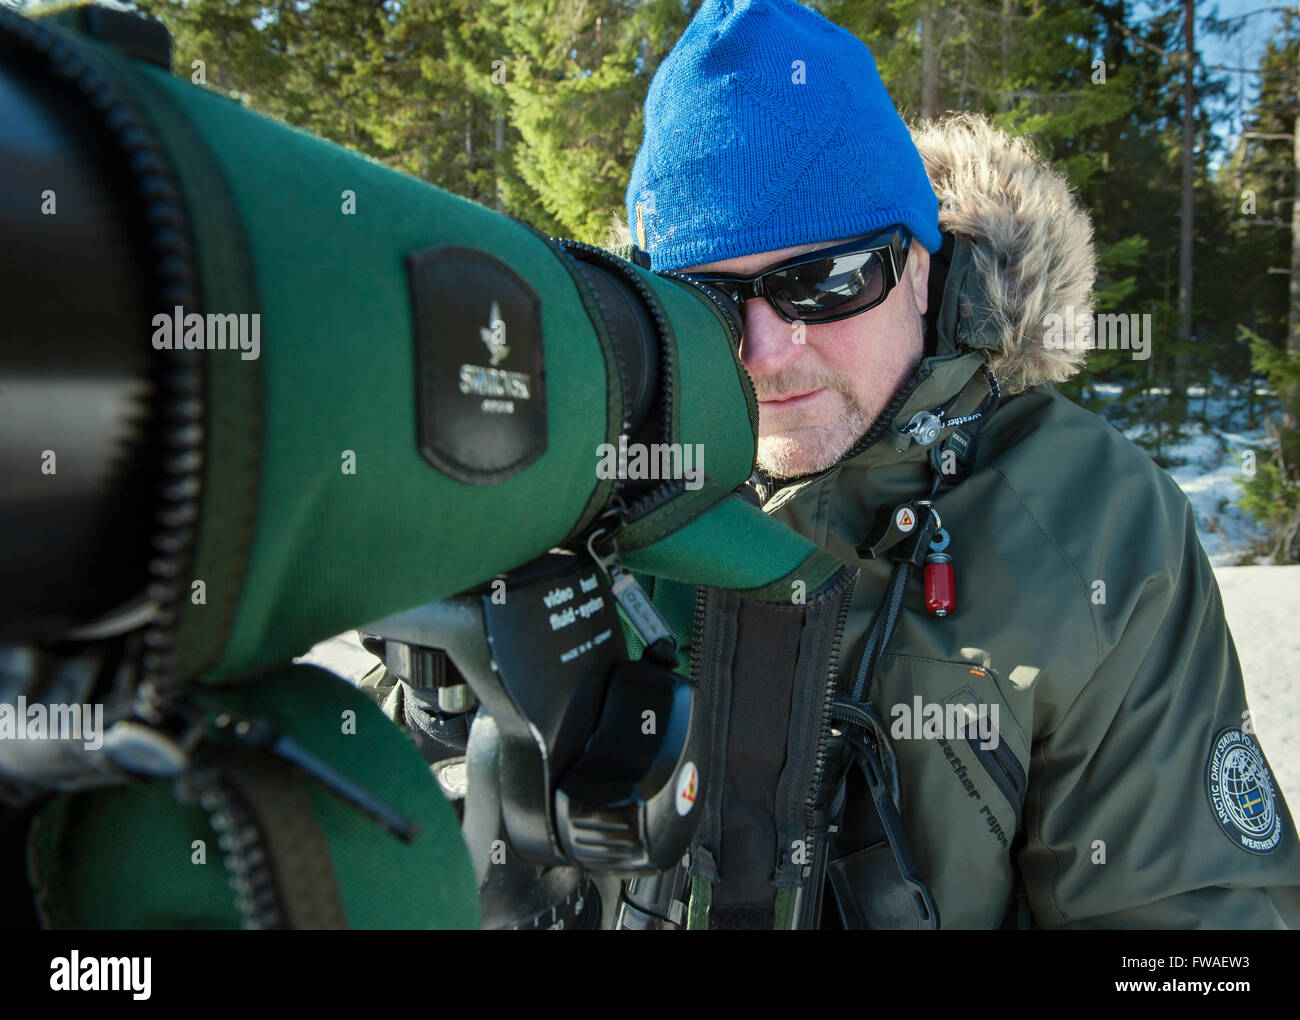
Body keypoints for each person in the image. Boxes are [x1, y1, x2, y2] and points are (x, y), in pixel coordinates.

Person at [610, 0, 1300, 928]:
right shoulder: (603, 484)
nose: (768, 350)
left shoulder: (1095, 526)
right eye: (710, 300)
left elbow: (1192, 936)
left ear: (921, 267)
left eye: (824, 282)